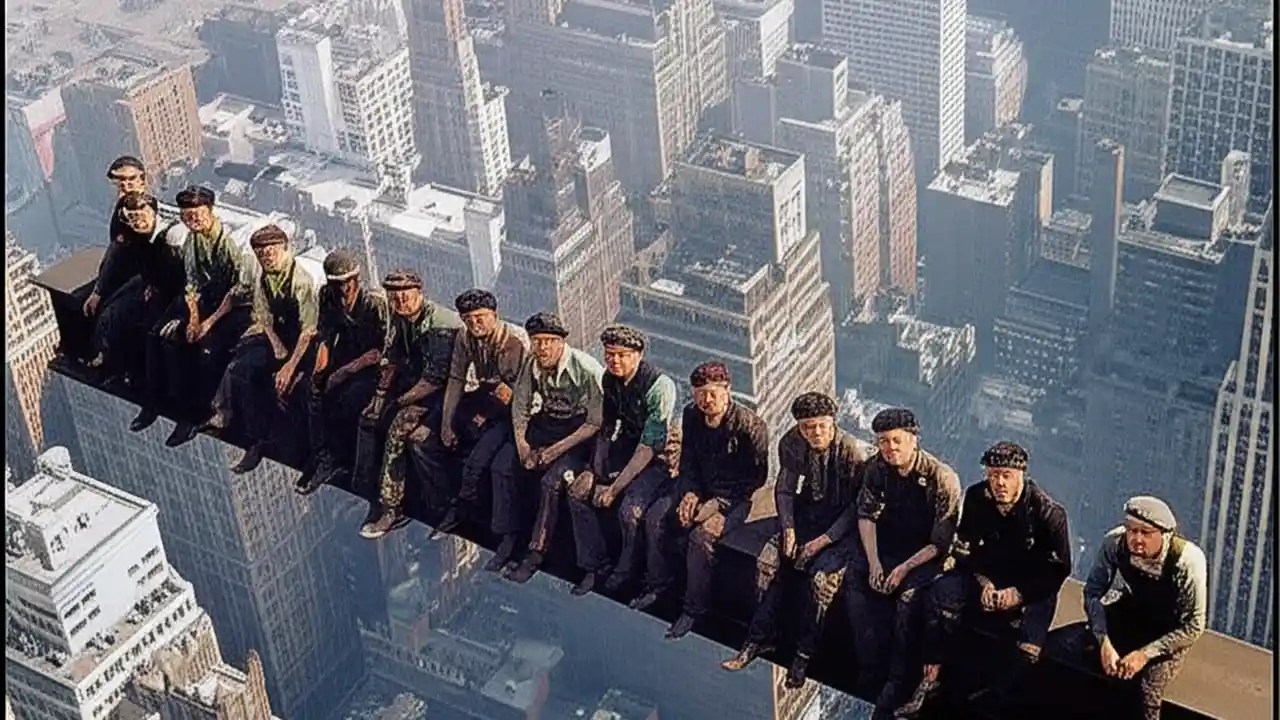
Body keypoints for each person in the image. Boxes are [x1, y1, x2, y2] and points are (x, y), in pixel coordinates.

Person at [896, 441, 1071, 716]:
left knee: (1027, 652)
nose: (999, 482)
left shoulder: (1048, 513)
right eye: (993, 475)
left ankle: (992, 706)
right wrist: (984, 581)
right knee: (938, 594)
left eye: (1006, 476)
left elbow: (1058, 571)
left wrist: (1019, 593)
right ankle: (929, 679)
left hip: (1032, 589)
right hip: (985, 577)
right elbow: (964, 547)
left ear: (1021, 475)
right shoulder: (978, 497)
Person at [722, 391, 868, 687]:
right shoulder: (791, 442)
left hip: (841, 528)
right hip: (807, 514)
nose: (814, 433)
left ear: (833, 423)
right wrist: (788, 528)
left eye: (821, 426)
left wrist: (822, 541)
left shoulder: (852, 452)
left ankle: (803, 653)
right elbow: (785, 489)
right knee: (769, 563)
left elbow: (857, 508)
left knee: (820, 583)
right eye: (807, 427)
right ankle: (757, 639)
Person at [639, 361, 769, 641]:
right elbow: (688, 461)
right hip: (698, 487)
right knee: (655, 517)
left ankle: (693, 609)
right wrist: (690, 492)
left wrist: (718, 503)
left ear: (727, 391)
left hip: (736, 498)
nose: (706, 401)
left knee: (702, 536)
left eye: (712, 393)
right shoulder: (691, 415)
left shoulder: (750, 427)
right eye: (700, 394)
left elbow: (755, 479)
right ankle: (656, 583)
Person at [842, 407, 960, 715]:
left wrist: (903, 569)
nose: (890, 448)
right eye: (883, 441)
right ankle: (869, 665)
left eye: (896, 440)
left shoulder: (941, 478)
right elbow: (865, 514)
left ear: (913, 440)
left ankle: (898, 678)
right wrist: (874, 562)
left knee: (908, 600)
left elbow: (940, 542)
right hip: (890, 546)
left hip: (926, 556)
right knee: (854, 582)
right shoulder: (876, 468)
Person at [1048, 496, 1207, 720]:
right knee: (1060, 649)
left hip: (1169, 629)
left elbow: (1194, 625)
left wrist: (1145, 655)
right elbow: (1093, 592)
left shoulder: (1186, 561)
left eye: (1146, 532)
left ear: (1165, 533)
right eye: (1131, 530)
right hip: (1132, 612)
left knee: (1146, 694)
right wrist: (1104, 642)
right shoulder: (1115, 543)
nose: (1136, 539)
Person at [564, 325, 677, 596]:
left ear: (638, 355)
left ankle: (629, 571)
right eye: (610, 354)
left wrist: (614, 488)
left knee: (630, 512)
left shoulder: (659, 387)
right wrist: (599, 470)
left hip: (656, 458)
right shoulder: (610, 379)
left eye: (622, 355)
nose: (614, 361)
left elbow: (649, 445)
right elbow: (607, 427)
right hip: (624, 447)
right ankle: (595, 564)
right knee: (579, 492)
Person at [195, 225, 318, 473]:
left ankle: (295, 448)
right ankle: (240, 427)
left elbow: (309, 330)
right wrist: (276, 347)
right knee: (241, 367)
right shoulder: (263, 277)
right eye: (262, 253)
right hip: (278, 340)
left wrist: (288, 365)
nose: (267, 257)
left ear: (285, 249)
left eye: (272, 251)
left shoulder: (301, 282)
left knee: (293, 388)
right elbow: (263, 316)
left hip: (304, 347)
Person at [492, 312, 603, 581]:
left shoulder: (586, 369)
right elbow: (520, 405)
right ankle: (508, 535)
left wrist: (555, 451)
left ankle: (536, 552)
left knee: (551, 483)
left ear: (561, 342)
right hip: (546, 425)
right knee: (503, 466)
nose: (542, 348)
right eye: (537, 341)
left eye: (549, 341)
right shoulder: (532, 364)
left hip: (578, 436)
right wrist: (523, 447)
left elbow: (595, 423)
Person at [140, 186, 252, 446]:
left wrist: (206, 323)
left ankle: (199, 413)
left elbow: (237, 292)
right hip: (206, 301)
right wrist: (192, 318)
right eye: (187, 215)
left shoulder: (229, 243)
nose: (193, 220)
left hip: (236, 309)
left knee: (205, 350)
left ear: (210, 211)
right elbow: (191, 283)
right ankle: (156, 400)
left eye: (197, 213)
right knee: (158, 333)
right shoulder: (193, 240)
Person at [358, 271, 461, 539]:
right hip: (416, 385)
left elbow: (435, 379)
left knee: (399, 430)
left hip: (447, 395)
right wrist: (380, 396)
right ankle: (371, 490)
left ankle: (394, 507)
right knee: (369, 417)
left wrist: (398, 401)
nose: (400, 300)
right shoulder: (400, 316)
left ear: (419, 292)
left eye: (406, 294)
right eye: (394, 296)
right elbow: (393, 354)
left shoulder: (439, 324)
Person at [427, 289, 527, 534]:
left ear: (494, 315)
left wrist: (482, 417)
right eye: (468, 318)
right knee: (434, 431)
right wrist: (446, 424)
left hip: (514, 409)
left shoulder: (513, 342)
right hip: (487, 395)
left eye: (480, 317)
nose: (474, 323)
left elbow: (514, 395)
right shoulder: (466, 337)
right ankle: (444, 500)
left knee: (480, 458)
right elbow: (456, 378)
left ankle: (467, 512)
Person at [295, 250, 388, 494]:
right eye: (337, 284)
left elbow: (381, 352)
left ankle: (342, 458)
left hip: (371, 366)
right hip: (345, 354)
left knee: (348, 399)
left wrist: (343, 373)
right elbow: (326, 335)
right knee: (312, 391)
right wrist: (321, 372)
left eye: (347, 282)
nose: (342, 289)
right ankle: (320, 454)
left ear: (356, 280)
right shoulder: (327, 296)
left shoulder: (374, 304)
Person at [84, 191, 183, 383]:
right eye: (132, 218)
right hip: (152, 287)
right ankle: (108, 358)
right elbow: (117, 259)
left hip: (177, 294)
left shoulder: (172, 237)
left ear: (153, 213)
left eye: (142, 216)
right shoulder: (136, 237)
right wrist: (98, 291)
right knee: (112, 311)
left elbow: (183, 276)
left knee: (152, 331)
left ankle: (149, 386)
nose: (138, 222)